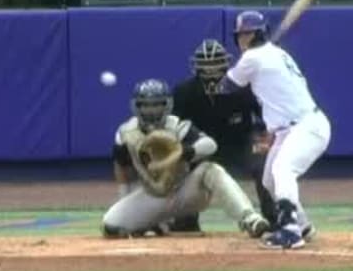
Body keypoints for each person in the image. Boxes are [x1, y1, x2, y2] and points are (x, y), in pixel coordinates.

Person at [102, 78, 270, 239]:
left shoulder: (177, 126)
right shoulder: (126, 133)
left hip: (184, 191)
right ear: (136, 106)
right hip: (152, 195)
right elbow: (122, 167)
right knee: (111, 226)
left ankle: (250, 219)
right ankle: (156, 223)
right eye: (145, 105)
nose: (151, 110)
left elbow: (210, 145)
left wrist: (183, 152)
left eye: (157, 105)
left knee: (211, 170)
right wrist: (126, 199)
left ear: (167, 105)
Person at [223, 11, 330, 250]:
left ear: (258, 34)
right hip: (290, 129)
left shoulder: (253, 58)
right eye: (240, 35)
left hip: (305, 126)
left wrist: (228, 71)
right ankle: (302, 225)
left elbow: (227, 87)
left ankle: (290, 231)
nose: (242, 39)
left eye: (246, 34)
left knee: (283, 170)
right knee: (270, 179)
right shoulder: (276, 53)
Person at [171, 39, 276, 231]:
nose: (211, 70)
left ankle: (274, 219)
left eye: (214, 64)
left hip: (238, 145)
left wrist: (263, 137)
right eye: (206, 64)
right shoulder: (183, 92)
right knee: (179, 164)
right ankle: (185, 220)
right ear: (196, 66)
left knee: (263, 163)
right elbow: (173, 128)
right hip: (201, 150)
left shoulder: (242, 89)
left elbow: (265, 117)